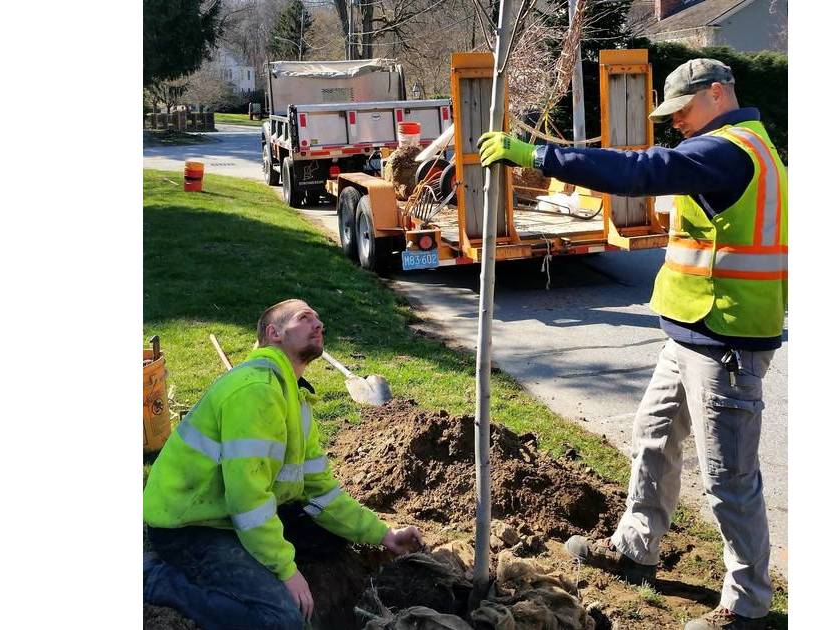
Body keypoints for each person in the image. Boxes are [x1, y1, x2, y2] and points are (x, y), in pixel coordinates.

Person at [478, 58, 786, 630]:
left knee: (728, 477)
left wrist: (536, 155)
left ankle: (748, 605)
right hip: (693, 331)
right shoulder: (730, 144)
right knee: (653, 437)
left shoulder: (729, 149)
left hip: (728, 340)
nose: (677, 124)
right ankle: (637, 548)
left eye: (683, 111)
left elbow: (641, 171)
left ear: (717, 94)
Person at [143, 298, 424, 630]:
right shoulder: (256, 391)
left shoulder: (295, 397)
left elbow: (323, 493)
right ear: (274, 333)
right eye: (305, 318)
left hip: (226, 515)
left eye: (318, 319)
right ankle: (155, 579)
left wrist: (384, 535)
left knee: (330, 536)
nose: (318, 324)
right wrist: (286, 571)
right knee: (281, 620)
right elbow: (248, 500)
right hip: (188, 526)